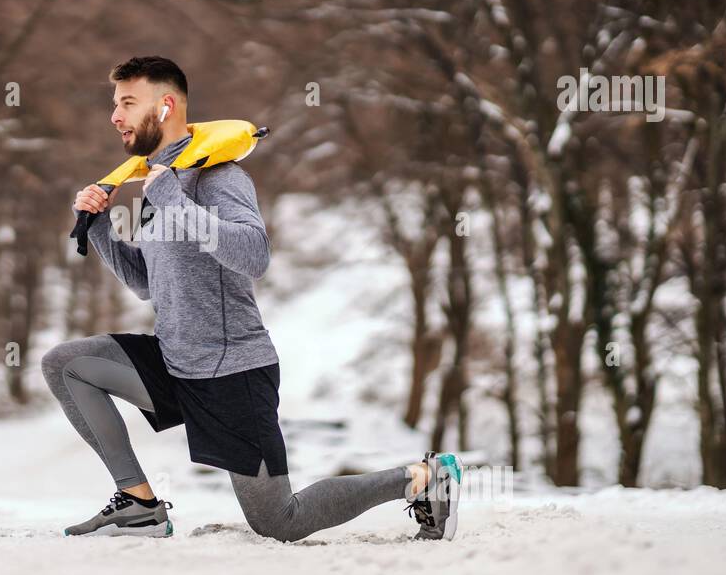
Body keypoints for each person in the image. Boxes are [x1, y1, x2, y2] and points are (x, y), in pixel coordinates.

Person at [41, 56, 462, 542]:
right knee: (66, 364)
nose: (115, 116)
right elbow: (148, 285)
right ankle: (138, 504)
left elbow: (254, 256)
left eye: (127, 103)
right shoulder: (157, 183)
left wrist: (176, 202)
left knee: (280, 521)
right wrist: (98, 226)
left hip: (232, 372)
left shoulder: (220, 179)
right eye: (115, 104)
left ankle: (425, 479)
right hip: (174, 359)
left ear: (165, 106)